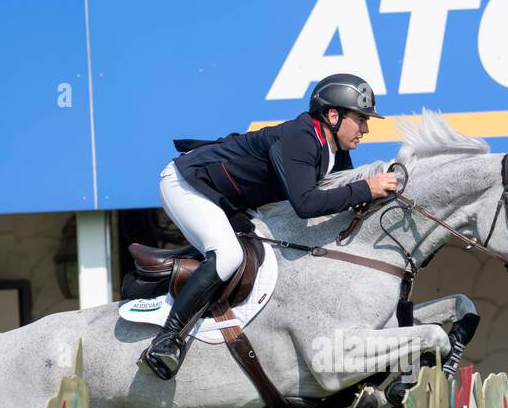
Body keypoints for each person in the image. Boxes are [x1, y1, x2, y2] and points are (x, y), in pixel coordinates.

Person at [139, 72, 400, 379]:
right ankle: (167, 341)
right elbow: (306, 205)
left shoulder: (334, 151)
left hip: (230, 199)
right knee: (228, 256)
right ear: (333, 115)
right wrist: (368, 188)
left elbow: (335, 198)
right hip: (188, 184)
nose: (366, 129)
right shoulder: (300, 139)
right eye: (361, 119)